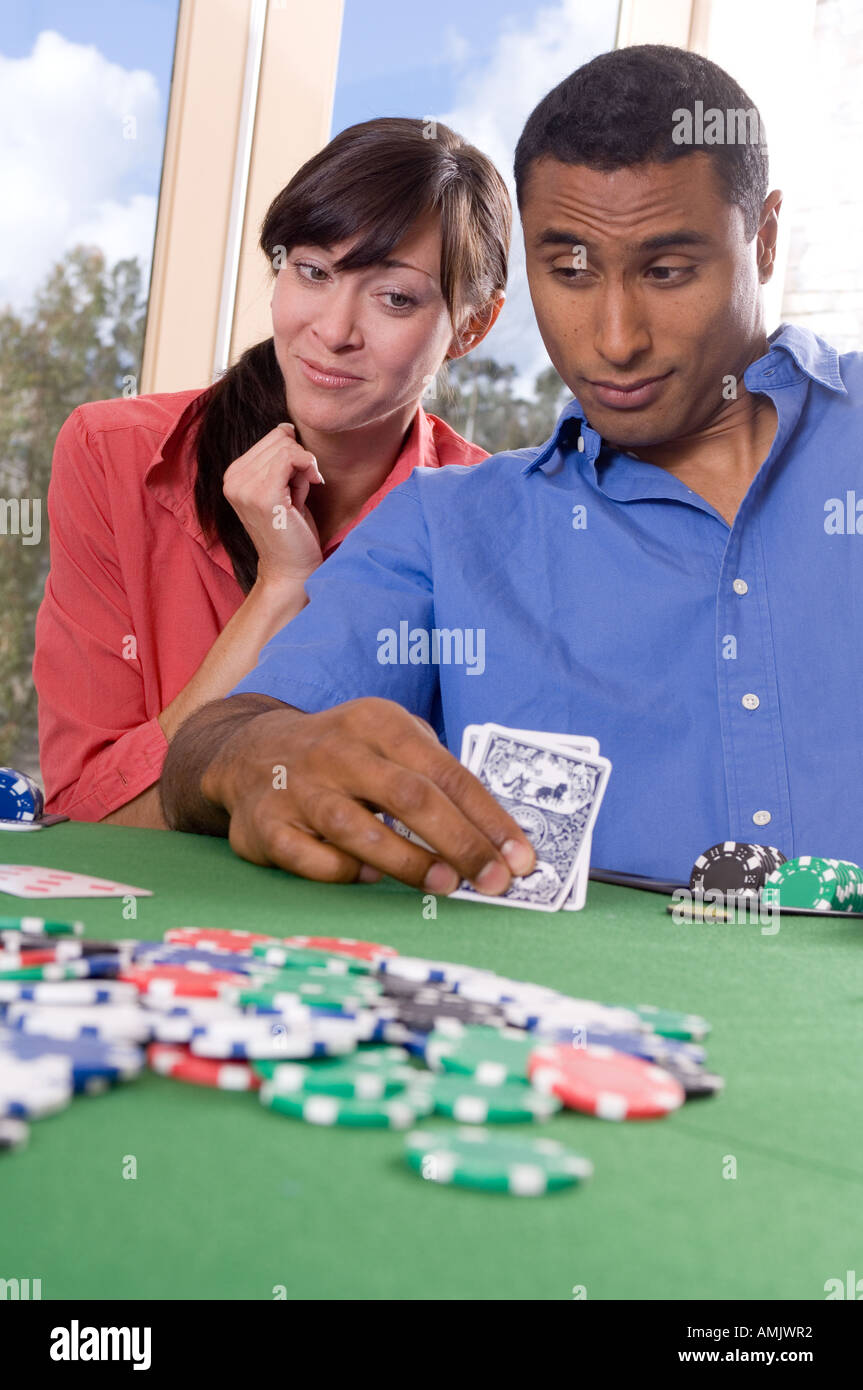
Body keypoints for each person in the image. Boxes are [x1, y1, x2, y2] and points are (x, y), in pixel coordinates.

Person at [160, 44, 863, 894]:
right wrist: (263, 758)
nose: (613, 338)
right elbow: (212, 744)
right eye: (565, 269)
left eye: (667, 270)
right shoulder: (447, 526)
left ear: (764, 237)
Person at [32, 118, 510, 826]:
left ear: (472, 327)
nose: (334, 329)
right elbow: (91, 814)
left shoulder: (491, 520)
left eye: (395, 298)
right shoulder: (114, 453)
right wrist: (281, 587)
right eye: (312, 272)